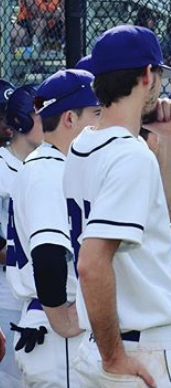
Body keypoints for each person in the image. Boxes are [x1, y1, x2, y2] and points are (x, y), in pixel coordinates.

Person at [63, 24, 171, 387]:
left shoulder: (82, 144)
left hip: (103, 342)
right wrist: (115, 356)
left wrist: (167, 142)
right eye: (161, 76)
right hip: (138, 348)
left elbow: (157, 222)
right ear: (148, 75)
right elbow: (92, 263)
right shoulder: (129, 154)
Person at [6, 70, 100, 387]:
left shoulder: (65, 166)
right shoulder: (48, 169)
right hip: (57, 336)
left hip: (62, 333)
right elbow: (48, 255)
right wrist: (63, 321)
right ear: (69, 119)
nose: (102, 122)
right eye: (96, 113)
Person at [0, 85, 43, 388]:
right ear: (19, 121)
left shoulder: (49, 165)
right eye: (37, 114)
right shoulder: (1, 167)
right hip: (6, 296)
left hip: (41, 298)